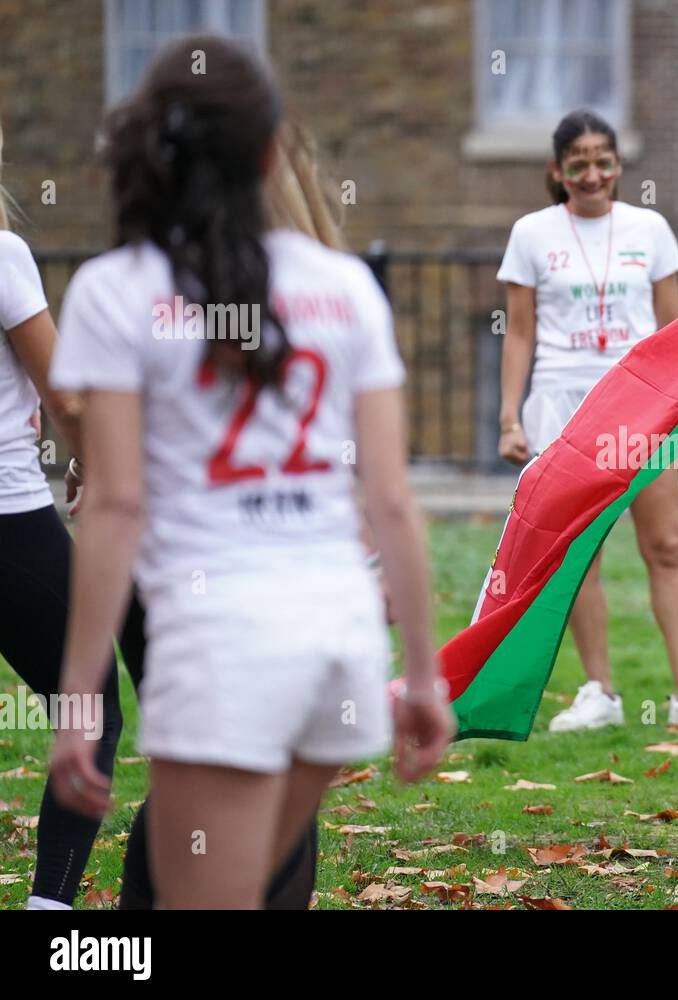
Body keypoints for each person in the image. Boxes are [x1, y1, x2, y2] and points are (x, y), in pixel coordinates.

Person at [46, 36, 453, 908]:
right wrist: (423, 678)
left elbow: (113, 506)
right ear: (274, 154)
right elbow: (390, 501)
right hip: (338, 640)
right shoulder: (345, 287)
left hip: (221, 641)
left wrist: (79, 699)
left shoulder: (116, 290)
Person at [117, 119, 353, 910]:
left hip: (174, 572)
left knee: (197, 779)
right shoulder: (329, 294)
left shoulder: (150, 283)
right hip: (244, 576)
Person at [497, 109, 678, 733]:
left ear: (618, 166)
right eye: (577, 162)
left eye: (602, 160)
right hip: (562, 404)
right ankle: (598, 692)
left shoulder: (650, 228)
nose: (592, 173)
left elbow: (675, 329)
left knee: (665, 544)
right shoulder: (531, 233)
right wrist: (509, 417)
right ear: (557, 171)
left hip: (642, 404)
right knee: (578, 551)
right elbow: (519, 333)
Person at [0, 117, 150, 910]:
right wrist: (96, 465)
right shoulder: (5, 255)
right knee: (87, 705)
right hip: (7, 518)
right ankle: (49, 906)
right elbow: (63, 391)